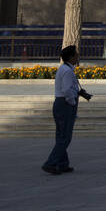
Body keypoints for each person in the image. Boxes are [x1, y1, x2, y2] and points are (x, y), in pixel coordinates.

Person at [43, 45, 92, 174]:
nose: (77, 57)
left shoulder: (64, 69)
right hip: (65, 104)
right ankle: (51, 162)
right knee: (65, 137)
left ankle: (62, 163)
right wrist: (72, 101)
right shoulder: (68, 71)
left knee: (61, 136)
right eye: (75, 55)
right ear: (71, 57)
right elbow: (66, 91)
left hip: (60, 103)